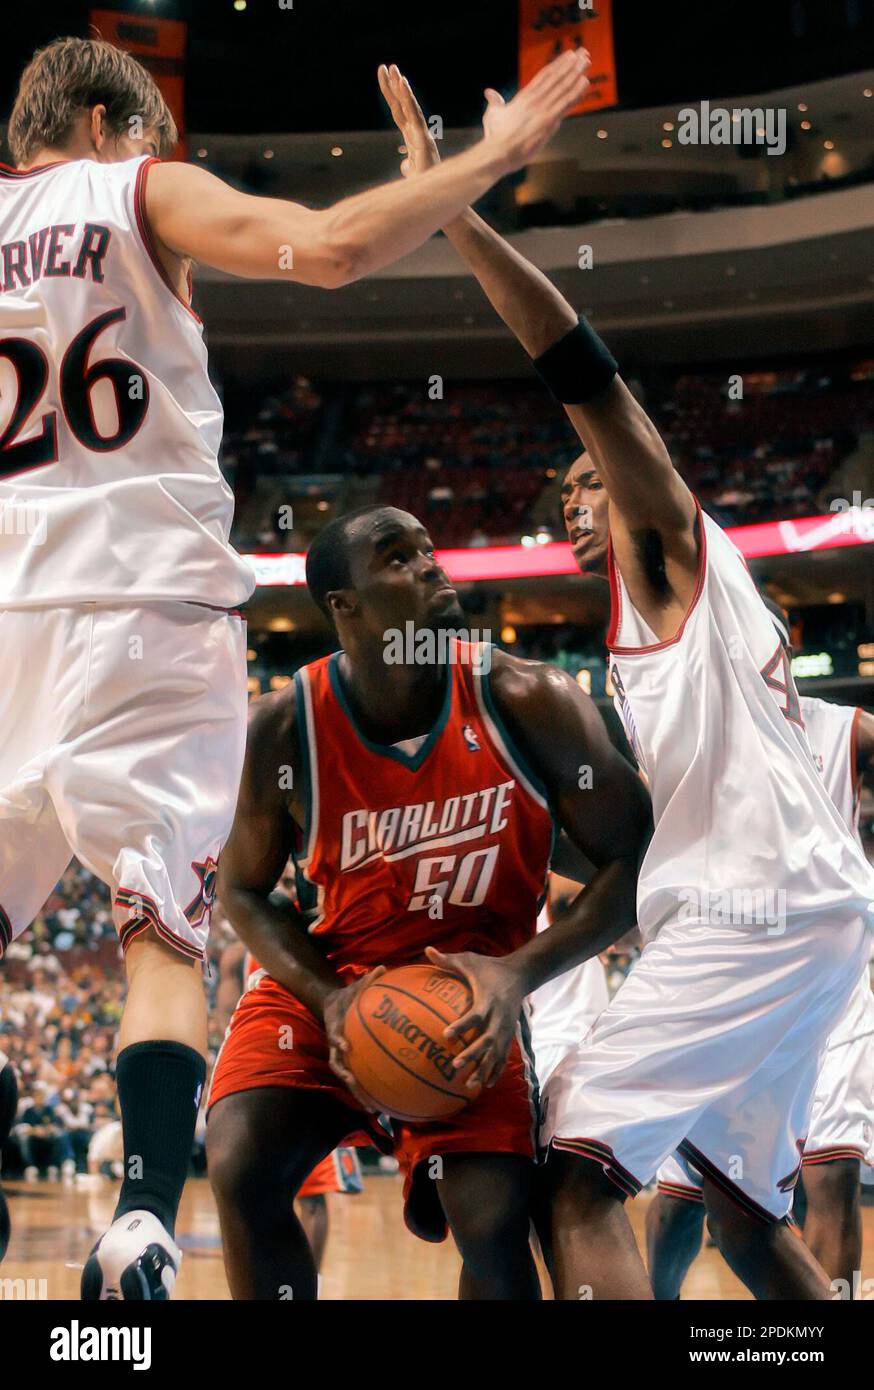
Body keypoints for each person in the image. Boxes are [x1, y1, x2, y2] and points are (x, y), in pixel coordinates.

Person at [0, 36, 588, 1299]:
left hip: (5, 612)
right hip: (146, 606)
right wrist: (485, 160)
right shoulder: (136, 189)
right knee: (160, 928)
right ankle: (145, 1215)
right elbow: (328, 249)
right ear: (109, 123)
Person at [380, 66, 874, 1300]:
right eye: (564, 501)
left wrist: (454, 210)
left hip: (746, 912)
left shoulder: (672, 552)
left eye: (584, 484)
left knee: (574, 1176)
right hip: (806, 917)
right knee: (745, 1218)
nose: (574, 503)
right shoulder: (686, 640)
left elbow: (582, 372)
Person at [206, 503, 650, 1300]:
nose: (429, 563)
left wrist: (518, 974)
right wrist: (331, 998)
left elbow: (633, 860)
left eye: (427, 548)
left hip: (469, 997)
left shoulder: (528, 697)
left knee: (493, 1224)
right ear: (344, 605)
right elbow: (241, 888)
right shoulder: (283, 728)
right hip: (332, 982)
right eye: (396, 557)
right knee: (238, 1157)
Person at [647, 609, 874, 1297]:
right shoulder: (681, 741)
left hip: (832, 981)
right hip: (722, 978)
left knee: (829, 1169)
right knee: (683, 1195)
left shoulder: (847, 730)